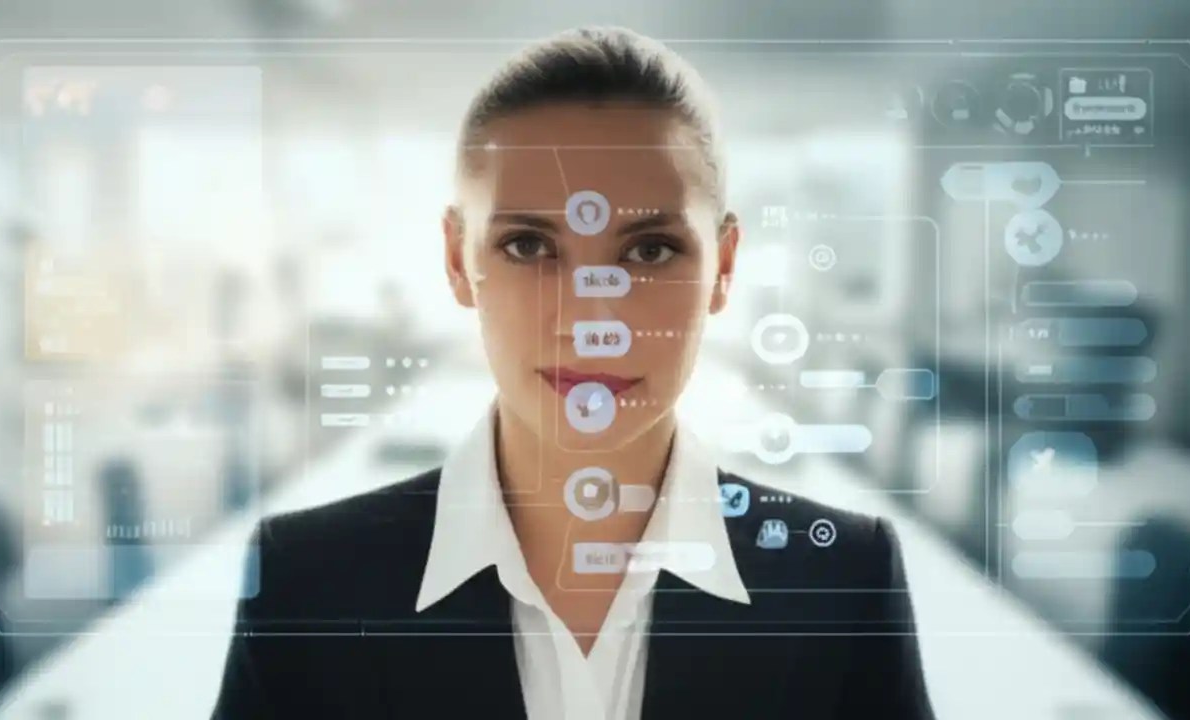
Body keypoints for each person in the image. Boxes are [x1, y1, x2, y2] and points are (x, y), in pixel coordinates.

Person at [213, 26, 935, 719]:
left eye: (648, 251)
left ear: (724, 267)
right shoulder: (305, 585)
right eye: (530, 246)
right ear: (458, 260)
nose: (592, 316)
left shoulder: (845, 584)